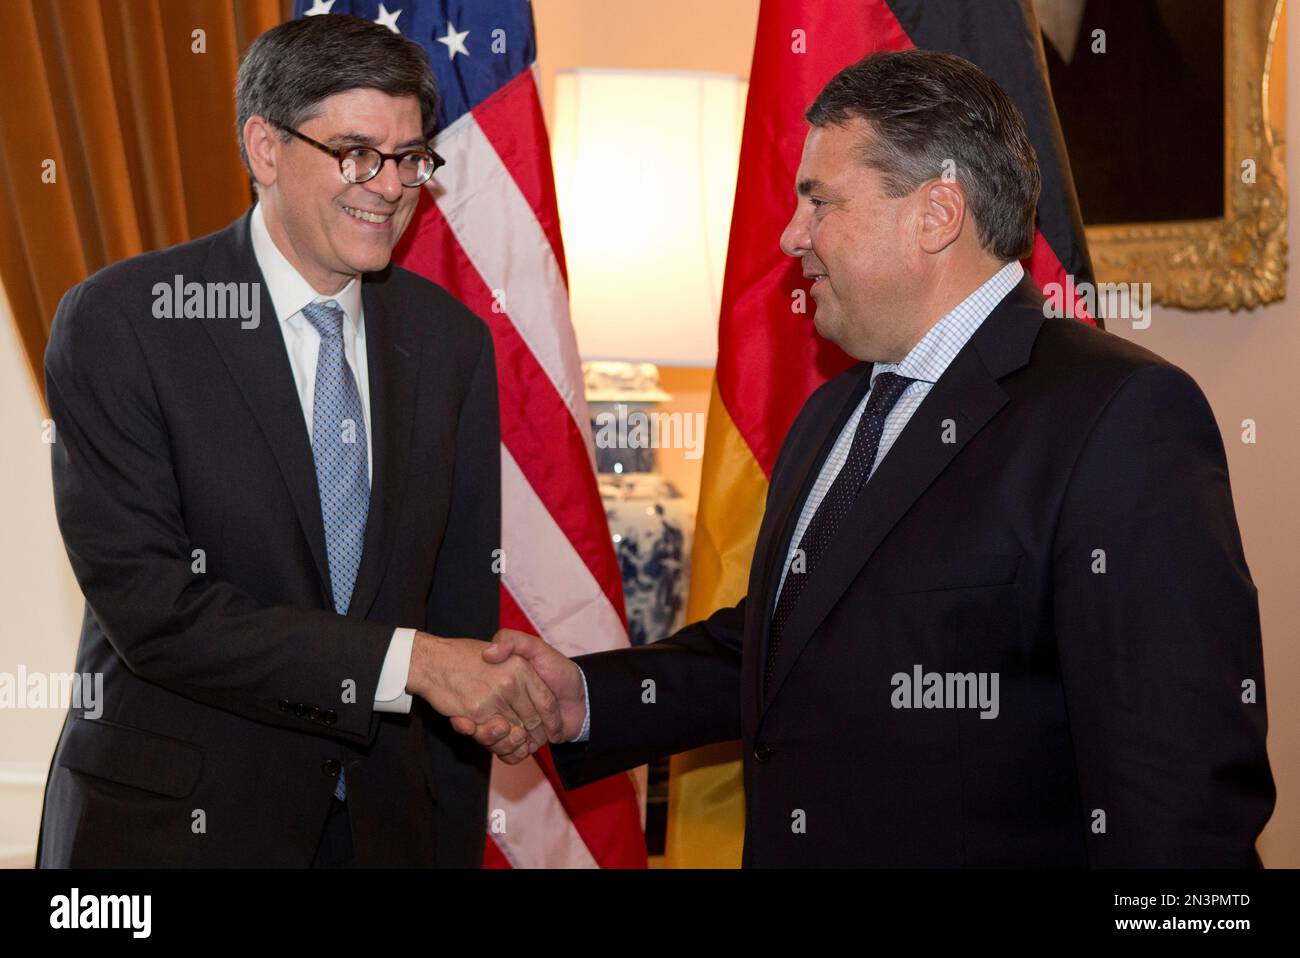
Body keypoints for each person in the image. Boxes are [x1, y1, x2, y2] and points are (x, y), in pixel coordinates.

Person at [455, 50, 1276, 867]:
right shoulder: (835, 411)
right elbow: (782, 648)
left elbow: (1180, 791)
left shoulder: (1117, 416)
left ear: (935, 214)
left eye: (820, 201)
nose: (790, 236)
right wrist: (590, 697)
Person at [37, 15, 559, 868]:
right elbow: (156, 612)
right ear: (266, 148)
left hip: (387, 836)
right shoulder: (125, 321)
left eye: (410, 158)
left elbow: (460, 620)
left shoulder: (451, 344)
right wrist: (409, 663)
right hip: (172, 835)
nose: (389, 187)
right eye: (357, 153)